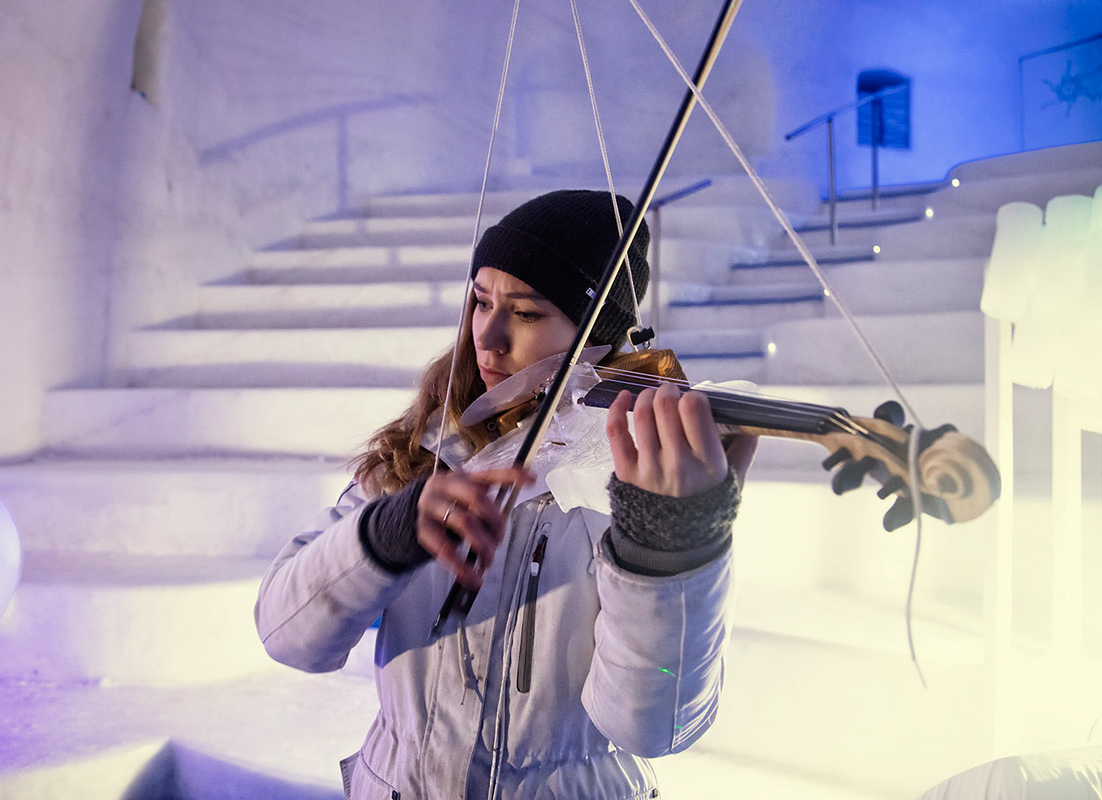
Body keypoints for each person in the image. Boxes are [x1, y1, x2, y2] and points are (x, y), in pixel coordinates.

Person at [255, 189, 757, 799]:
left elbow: (653, 724)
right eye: (481, 300)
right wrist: (386, 535)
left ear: (594, 334)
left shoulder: (634, 473)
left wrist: (666, 546)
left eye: (526, 313)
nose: (486, 337)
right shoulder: (421, 451)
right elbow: (287, 636)